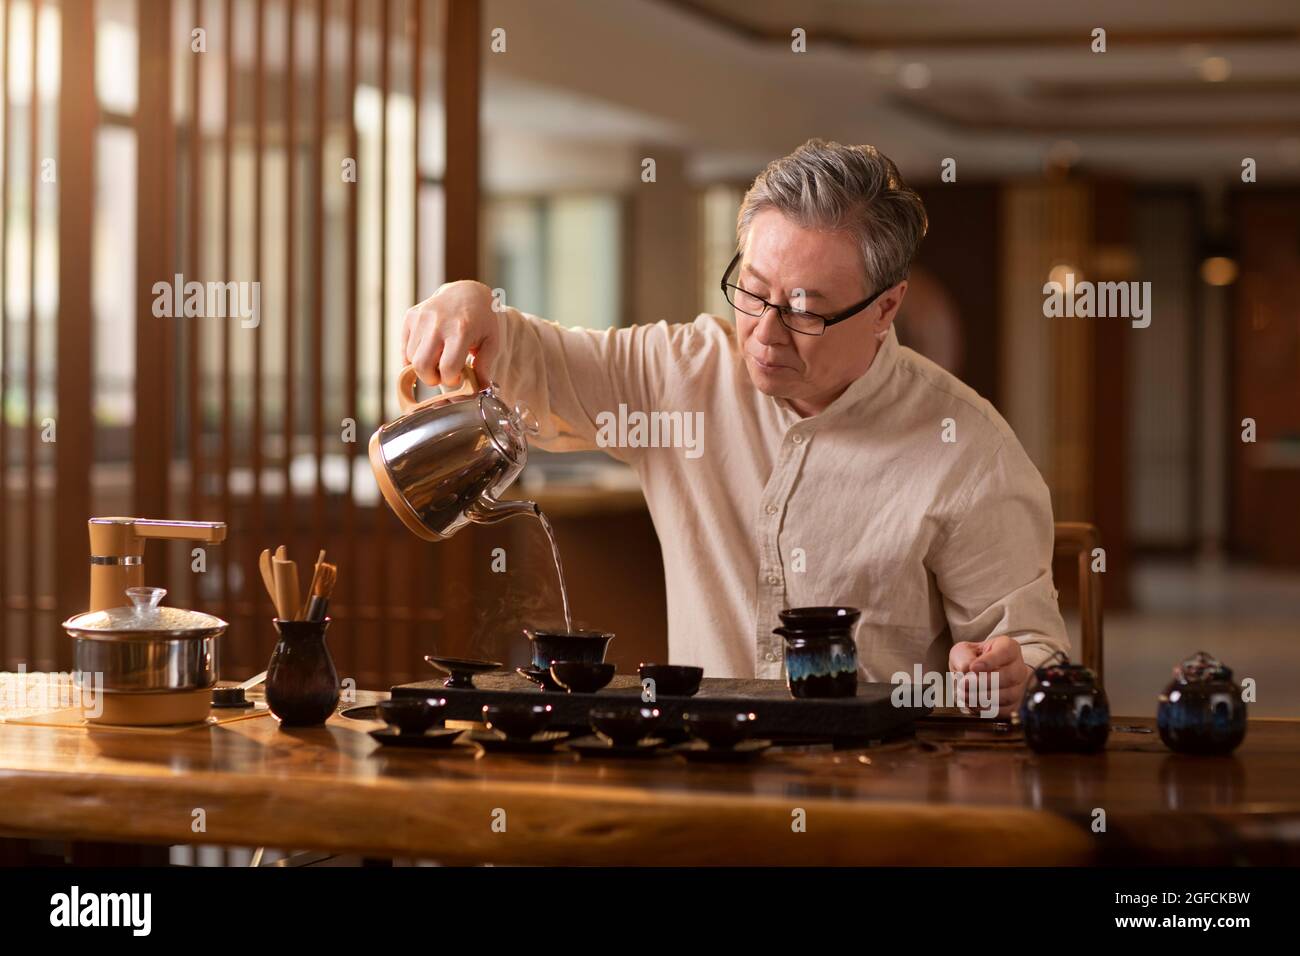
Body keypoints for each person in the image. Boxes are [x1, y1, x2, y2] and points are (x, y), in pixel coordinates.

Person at [400, 138, 1068, 717]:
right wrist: (467, 303)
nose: (765, 333)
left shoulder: (968, 448)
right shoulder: (681, 374)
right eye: (751, 291)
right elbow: (528, 360)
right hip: (708, 772)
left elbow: (1037, 657)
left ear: (886, 306)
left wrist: (1013, 674)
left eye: (805, 310)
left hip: (879, 792)